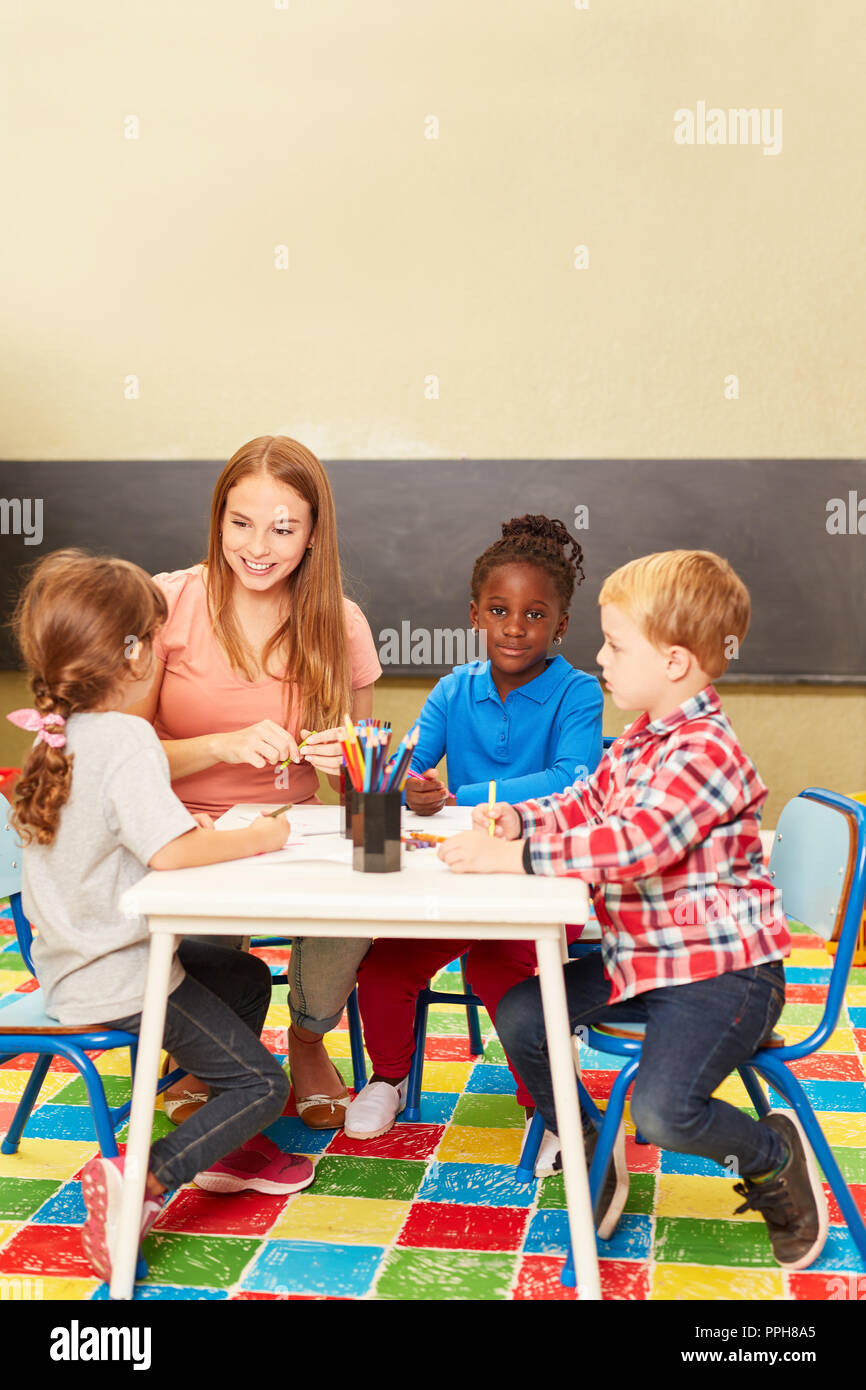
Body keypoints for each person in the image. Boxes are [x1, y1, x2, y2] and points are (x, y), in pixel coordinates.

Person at [438, 550, 827, 1269]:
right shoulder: (644, 738)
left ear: (674, 662)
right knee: (524, 1013)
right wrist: (520, 821)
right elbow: (586, 801)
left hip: (727, 978)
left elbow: (635, 845)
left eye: (616, 644)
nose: (599, 657)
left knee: (662, 1112)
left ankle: (769, 1154)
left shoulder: (707, 751)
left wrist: (517, 859)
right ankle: (591, 1143)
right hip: (645, 962)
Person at [7, 550, 312, 1283]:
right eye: (157, 638)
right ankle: (143, 1177)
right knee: (264, 1086)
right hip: (121, 974)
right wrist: (262, 836)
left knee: (241, 977)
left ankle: (210, 1132)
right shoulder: (126, 739)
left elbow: (130, 836)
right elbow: (171, 854)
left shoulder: (62, 733)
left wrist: (206, 839)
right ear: (136, 652)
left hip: (73, 964)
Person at [127, 435, 382, 1130]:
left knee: (372, 874)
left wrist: (353, 766)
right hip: (182, 831)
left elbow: (366, 803)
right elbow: (122, 759)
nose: (258, 546)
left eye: (283, 527)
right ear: (217, 519)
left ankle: (306, 1038)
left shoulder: (342, 623)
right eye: (240, 523)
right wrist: (220, 745)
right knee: (210, 911)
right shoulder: (164, 603)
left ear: (313, 534)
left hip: (291, 829)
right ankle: (215, 1056)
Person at [344, 515, 603, 1142]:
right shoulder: (453, 689)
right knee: (381, 970)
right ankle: (390, 1078)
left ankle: (547, 1107)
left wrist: (463, 794)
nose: (515, 627)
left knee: (498, 975)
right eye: (499, 610)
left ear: (561, 625)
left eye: (535, 614)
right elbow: (406, 758)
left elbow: (571, 779)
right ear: (475, 615)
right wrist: (410, 783)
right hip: (460, 877)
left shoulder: (579, 694)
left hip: (539, 874)